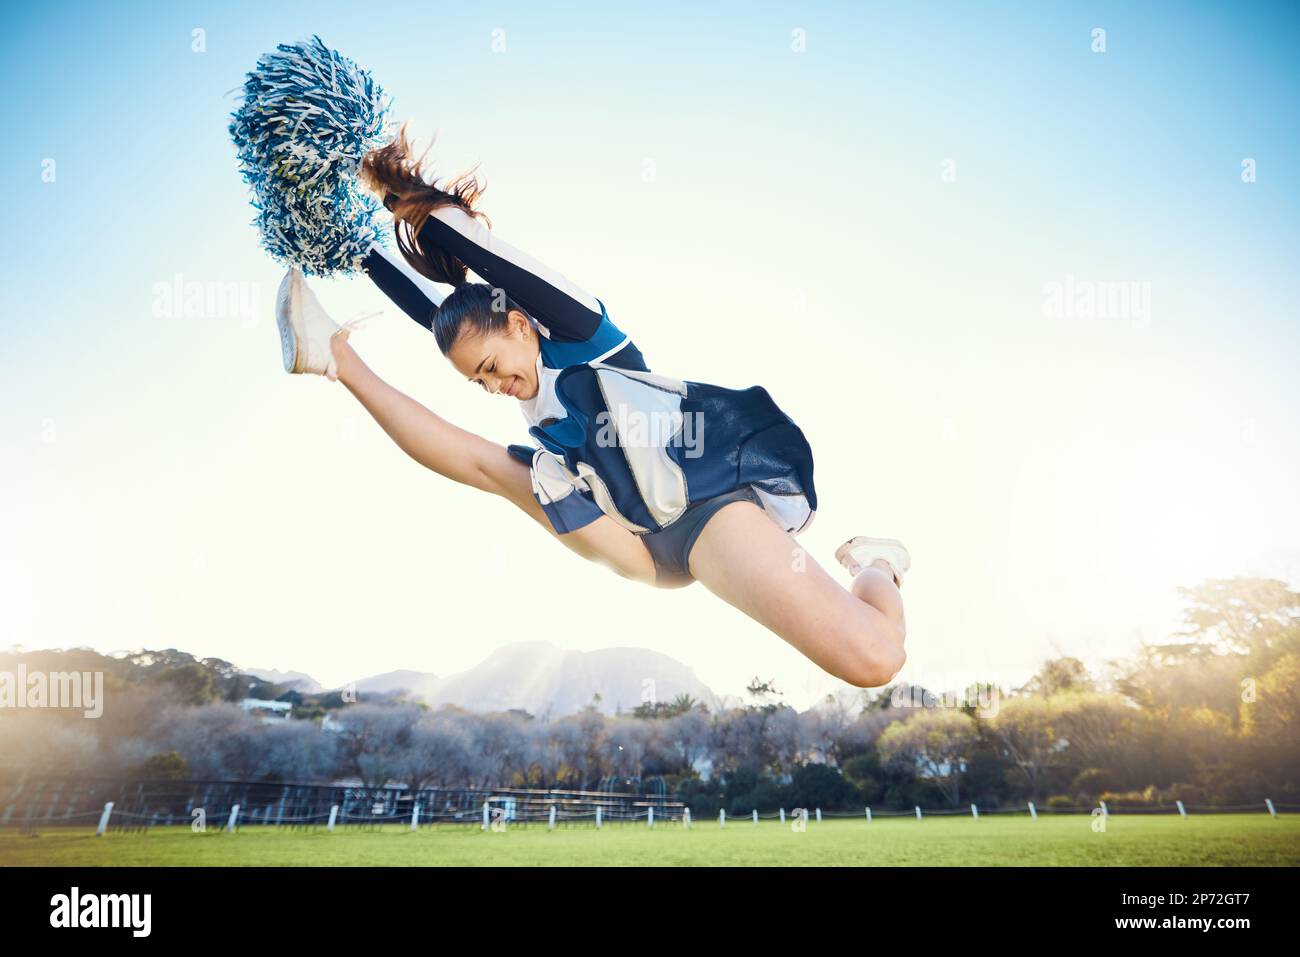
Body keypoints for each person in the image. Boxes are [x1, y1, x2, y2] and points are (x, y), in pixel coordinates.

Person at [273, 127, 911, 688]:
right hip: (633, 540)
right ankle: (334, 356)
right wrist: (337, 235)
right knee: (490, 466)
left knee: (874, 660)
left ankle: (879, 561)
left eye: (492, 367)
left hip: (700, 508)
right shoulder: (506, 367)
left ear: (520, 323)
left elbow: (480, 253)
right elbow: (433, 313)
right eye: (478, 382)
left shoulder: (581, 330)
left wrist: (373, 175)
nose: (494, 386)